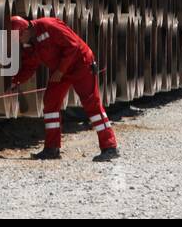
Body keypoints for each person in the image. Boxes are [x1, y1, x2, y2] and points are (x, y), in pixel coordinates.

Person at [9, 15, 119, 161]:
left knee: (91, 103)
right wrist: (15, 81)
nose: (18, 42)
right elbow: (30, 65)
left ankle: (109, 147)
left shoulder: (48, 25)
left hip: (81, 65)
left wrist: (60, 71)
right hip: (61, 72)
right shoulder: (30, 43)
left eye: (17, 38)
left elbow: (72, 45)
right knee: (50, 103)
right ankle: (52, 148)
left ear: (24, 31)